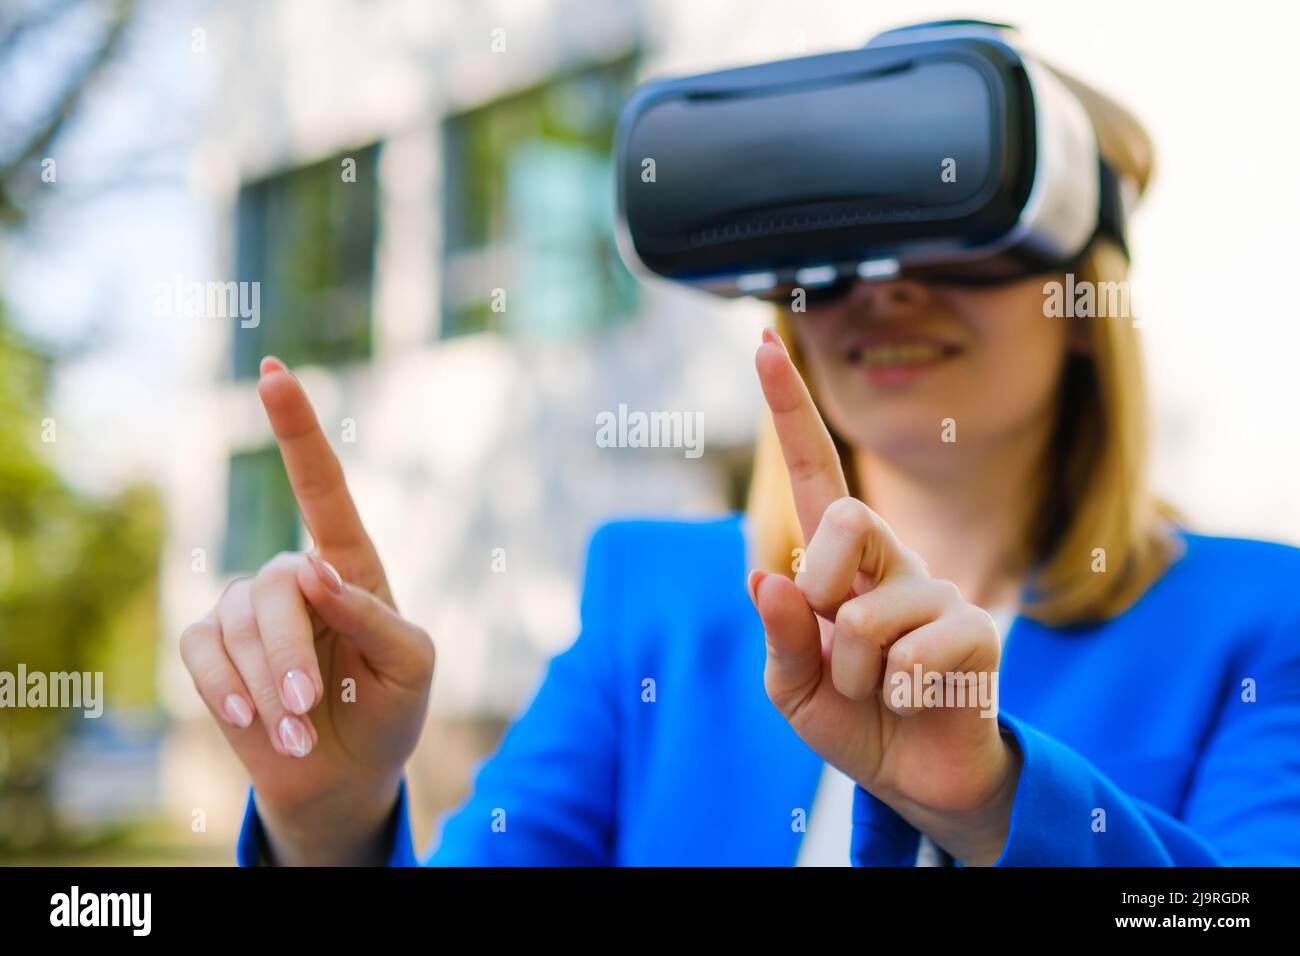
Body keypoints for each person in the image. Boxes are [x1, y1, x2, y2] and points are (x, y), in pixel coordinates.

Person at [178, 36, 1300, 868]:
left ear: (1077, 292)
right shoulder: (653, 598)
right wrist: (327, 821)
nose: (886, 284)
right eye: (832, 247)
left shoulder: (1259, 618)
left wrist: (996, 803)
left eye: (960, 225)